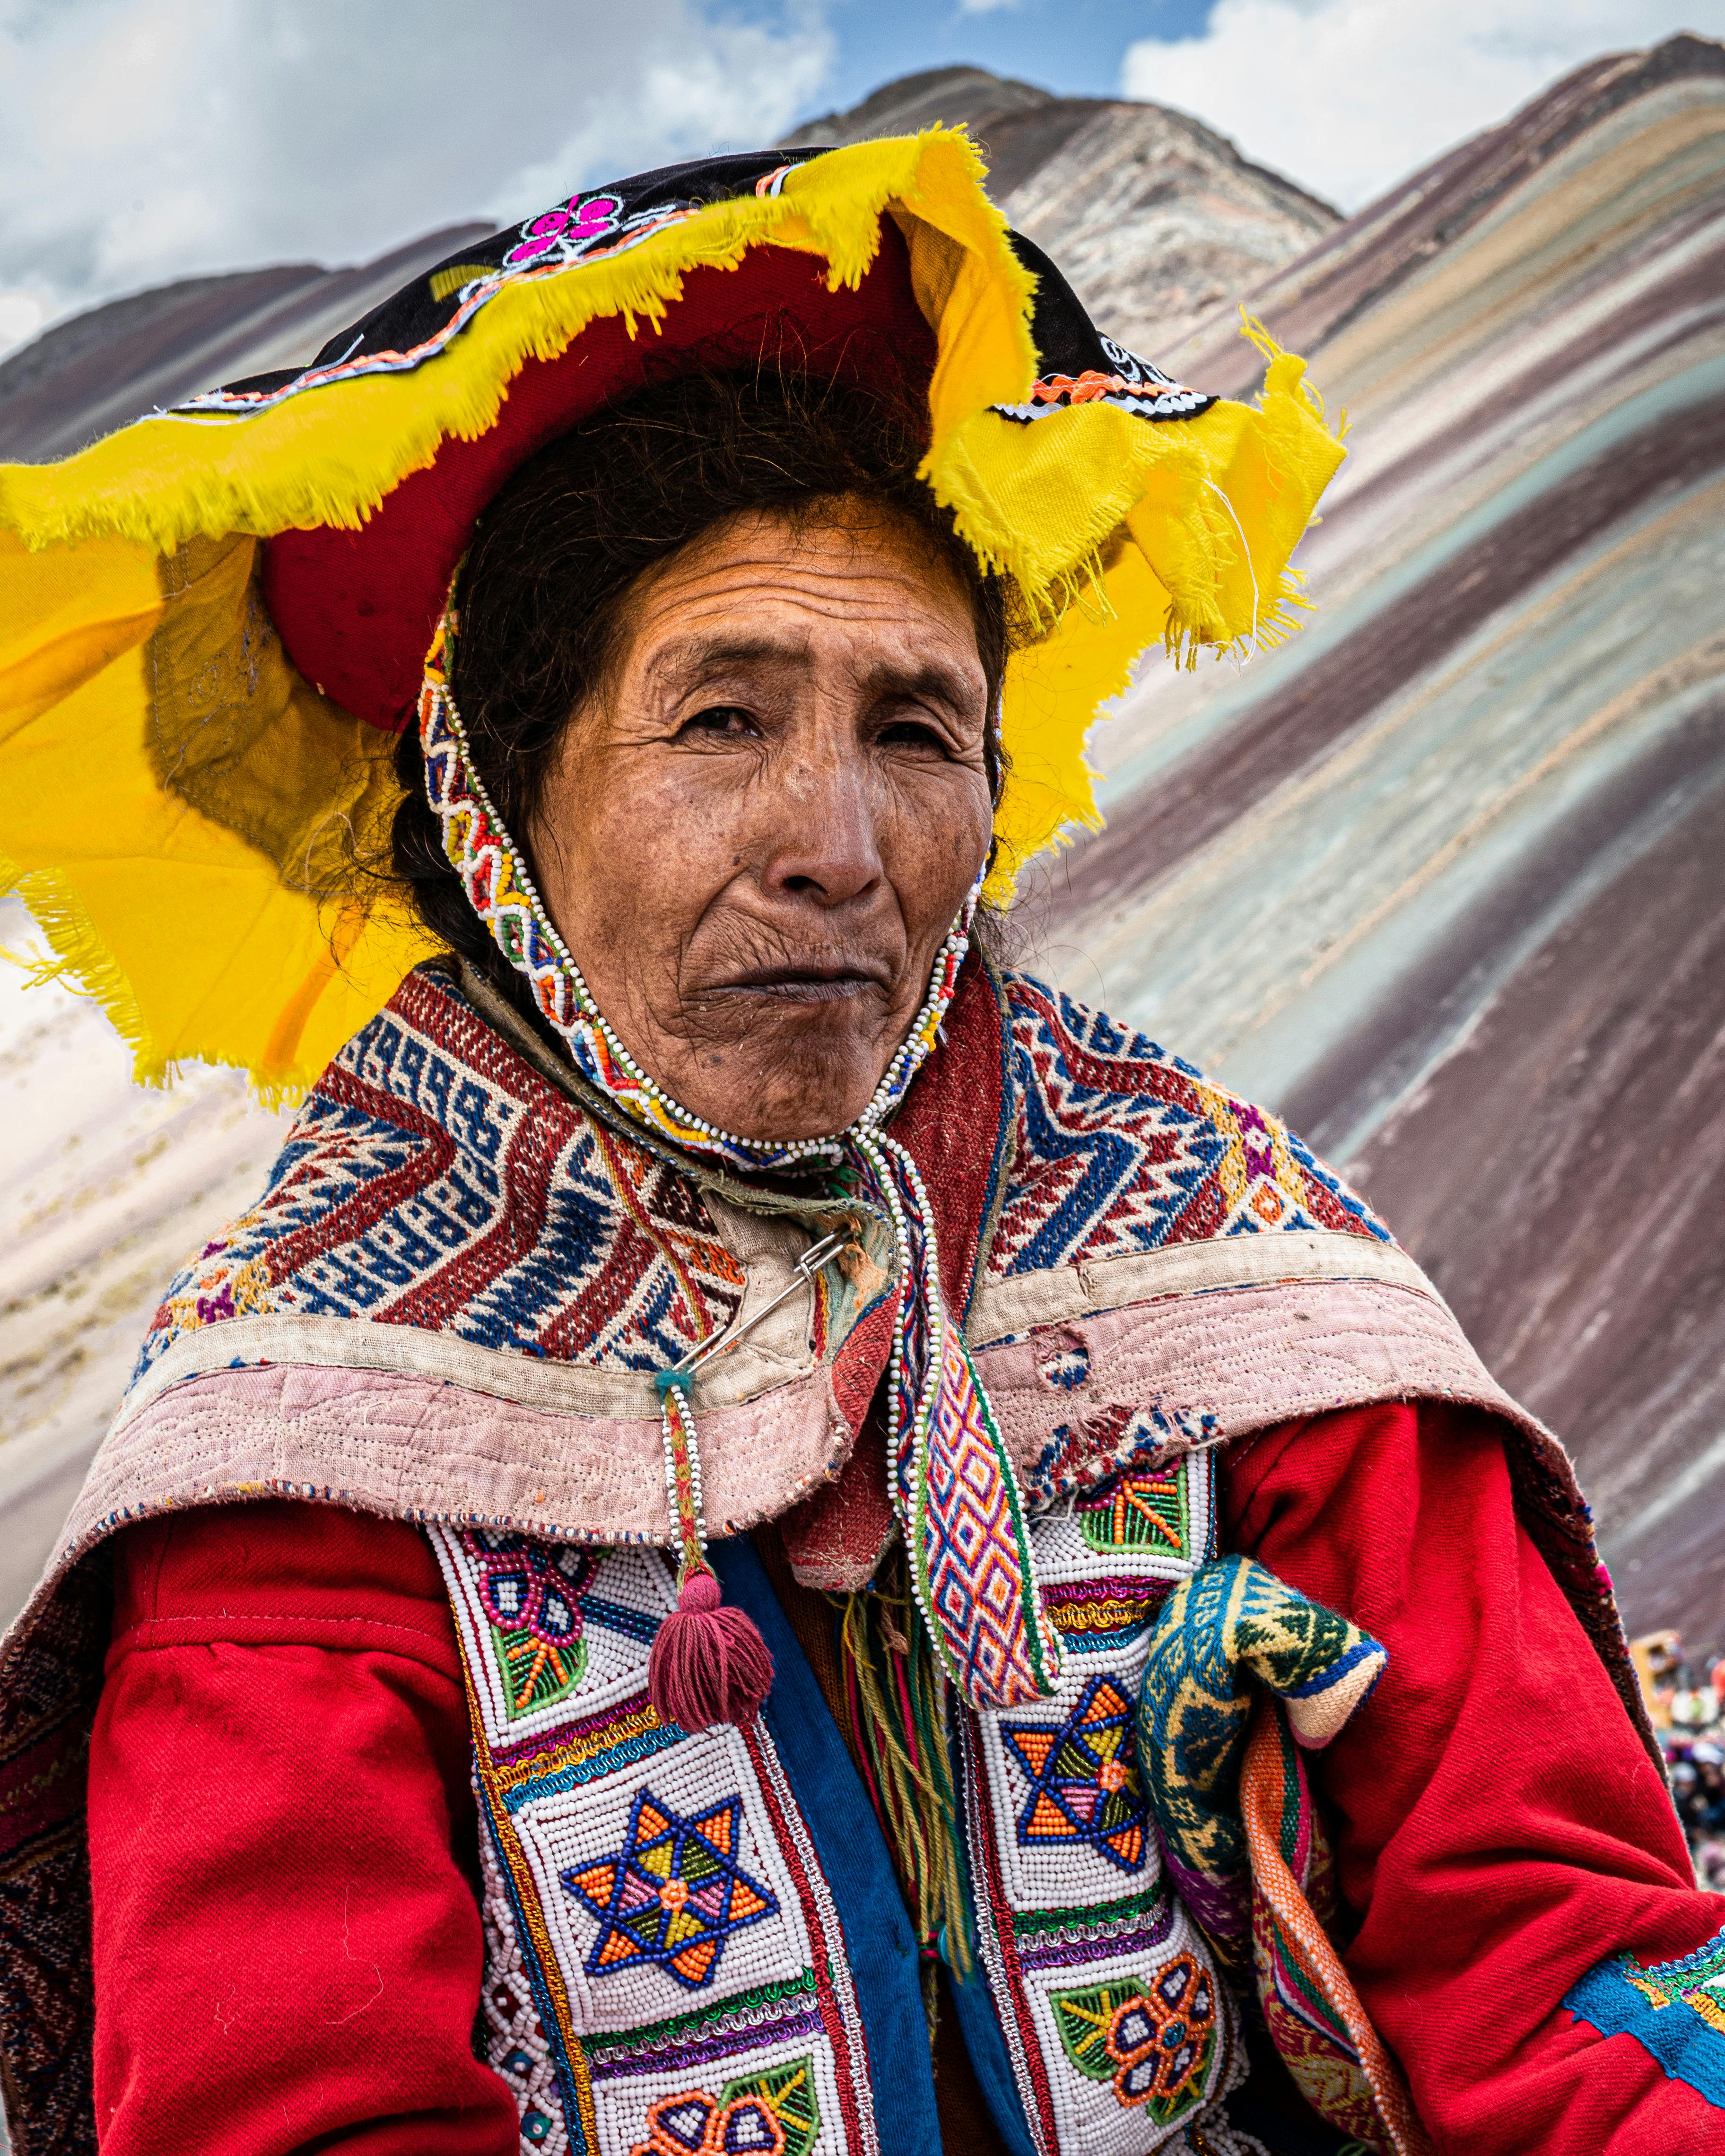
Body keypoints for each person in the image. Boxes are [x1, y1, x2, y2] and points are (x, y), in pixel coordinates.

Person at [0, 133, 1720, 2156]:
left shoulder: (1231, 1283)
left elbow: (1550, 1963)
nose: (837, 845)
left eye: (915, 732)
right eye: (720, 720)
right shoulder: (315, 1424)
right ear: (497, 807)